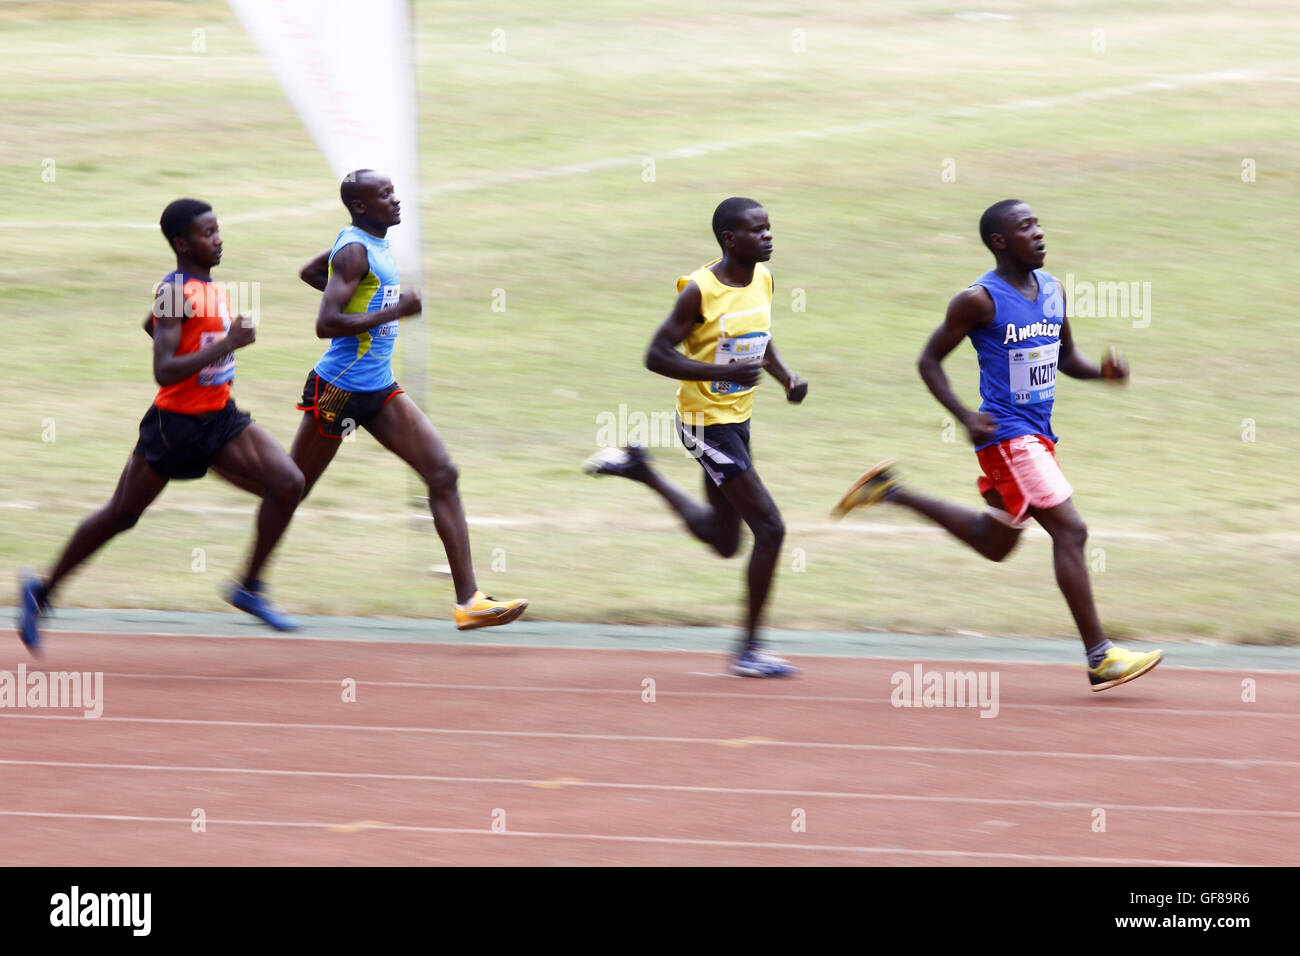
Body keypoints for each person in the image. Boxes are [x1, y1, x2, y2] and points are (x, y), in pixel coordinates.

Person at [832, 199, 1162, 691]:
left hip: (1040, 438)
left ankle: (889, 490)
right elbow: (928, 361)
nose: (1040, 232)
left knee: (995, 543)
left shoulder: (1053, 290)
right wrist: (964, 416)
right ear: (999, 242)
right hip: (1007, 438)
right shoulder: (978, 300)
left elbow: (1066, 356)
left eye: (1039, 223)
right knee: (1070, 531)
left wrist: (1103, 374)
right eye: (1026, 227)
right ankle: (1100, 656)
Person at [16, 199, 305, 654]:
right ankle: (42, 589)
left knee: (288, 483)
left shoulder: (203, 286)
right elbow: (165, 369)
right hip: (176, 426)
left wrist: (206, 345)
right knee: (121, 516)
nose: (219, 238)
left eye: (218, 229)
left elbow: (155, 326)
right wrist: (226, 344)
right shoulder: (175, 290)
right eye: (208, 233)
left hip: (220, 417)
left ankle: (248, 586)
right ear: (182, 243)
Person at [288, 169, 526, 630]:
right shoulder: (356, 248)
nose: (396, 200)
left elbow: (312, 272)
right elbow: (326, 323)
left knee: (442, 472)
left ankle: (469, 601)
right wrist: (393, 309)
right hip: (338, 389)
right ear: (361, 206)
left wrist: (367, 301)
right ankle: (250, 579)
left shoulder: (368, 244)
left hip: (378, 386)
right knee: (290, 488)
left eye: (394, 191)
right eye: (384, 195)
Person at [584, 198, 808, 677]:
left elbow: (761, 338)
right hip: (706, 425)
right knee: (770, 528)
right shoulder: (699, 291)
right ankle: (748, 651)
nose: (769, 236)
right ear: (730, 239)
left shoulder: (763, 279)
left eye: (770, 227)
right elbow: (655, 355)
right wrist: (717, 370)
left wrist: (786, 376)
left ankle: (642, 470)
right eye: (758, 230)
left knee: (726, 542)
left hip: (739, 421)